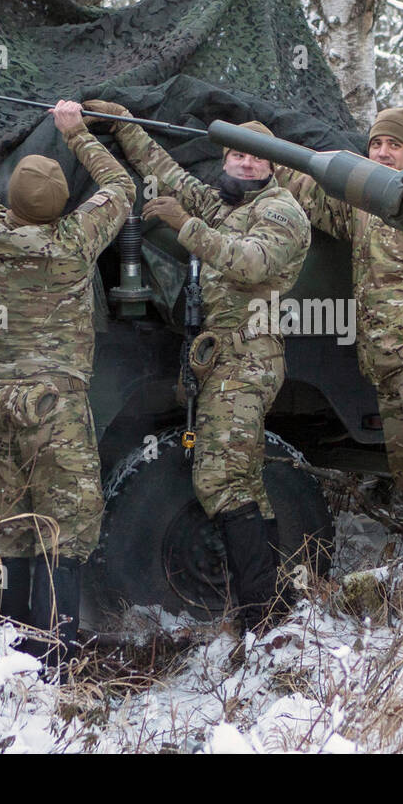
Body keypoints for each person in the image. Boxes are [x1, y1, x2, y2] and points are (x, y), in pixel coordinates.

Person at [82, 100, 311, 635]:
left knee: (220, 479)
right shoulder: (230, 207)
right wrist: (123, 123)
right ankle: (272, 610)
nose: (245, 164)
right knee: (242, 481)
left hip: (248, 357)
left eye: (255, 157)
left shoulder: (279, 211)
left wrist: (184, 226)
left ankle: (262, 616)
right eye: (235, 155)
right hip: (227, 358)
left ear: (271, 165)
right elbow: (171, 176)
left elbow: (250, 261)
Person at [0, 74, 134, 662]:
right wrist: (76, 134)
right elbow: (121, 186)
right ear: (62, 207)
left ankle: (11, 658)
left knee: (10, 533)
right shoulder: (74, 243)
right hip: (57, 411)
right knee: (63, 537)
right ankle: (57, 659)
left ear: (8, 199)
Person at [277, 108, 403, 547]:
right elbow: (311, 193)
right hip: (386, 368)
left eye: (394, 146)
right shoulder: (367, 203)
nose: (383, 154)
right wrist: (260, 149)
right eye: (376, 145)